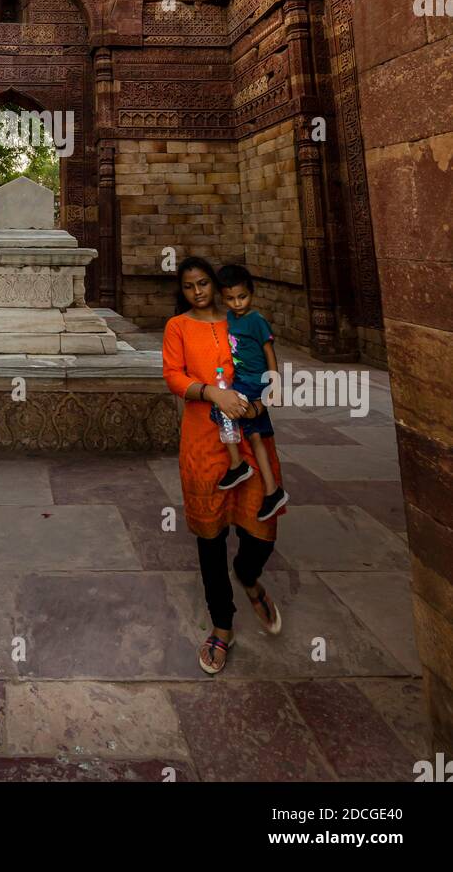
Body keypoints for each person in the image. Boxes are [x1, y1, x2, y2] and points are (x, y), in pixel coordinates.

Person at [162, 256, 286, 675]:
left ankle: (248, 575)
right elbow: (174, 376)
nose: (198, 292)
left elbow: (263, 364)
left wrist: (261, 397)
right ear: (181, 292)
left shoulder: (240, 319)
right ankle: (223, 624)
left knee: (262, 530)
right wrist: (213, 395)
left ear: (216, 284)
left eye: (203, 284)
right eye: (189, 286)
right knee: (210, 537)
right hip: (204, 441)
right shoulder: (177, 327)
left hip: (251, 437)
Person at [214, 263, 289, 521]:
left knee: (220, 407)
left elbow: (269, 352)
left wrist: (274, 385)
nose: (237, 303)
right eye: (231, 299)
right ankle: (272, 490)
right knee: (256, 436)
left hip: (254, 382)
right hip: (242, 379)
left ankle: (237, 464)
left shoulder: (256, 320)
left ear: (252, 293)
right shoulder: (230, 320)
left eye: (242, 297)